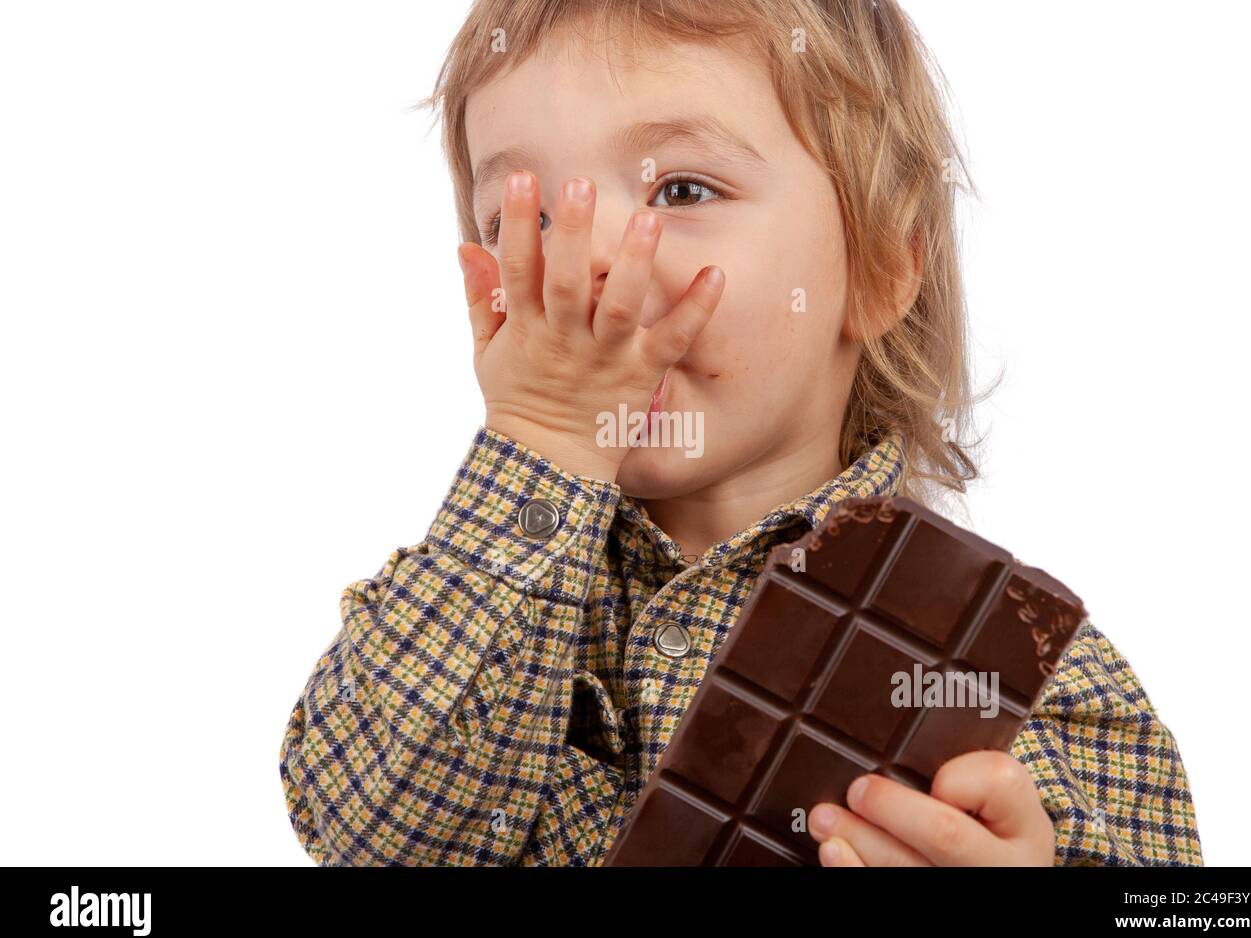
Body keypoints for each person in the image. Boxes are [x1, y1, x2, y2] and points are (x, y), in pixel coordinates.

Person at [278, 0, 1201, 866]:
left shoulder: (1024, 662)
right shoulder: (475, 602)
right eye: (533, 219)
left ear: (880, 266)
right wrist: (546, 435)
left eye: (680, 189)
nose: (587, 264)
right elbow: (375, 827)